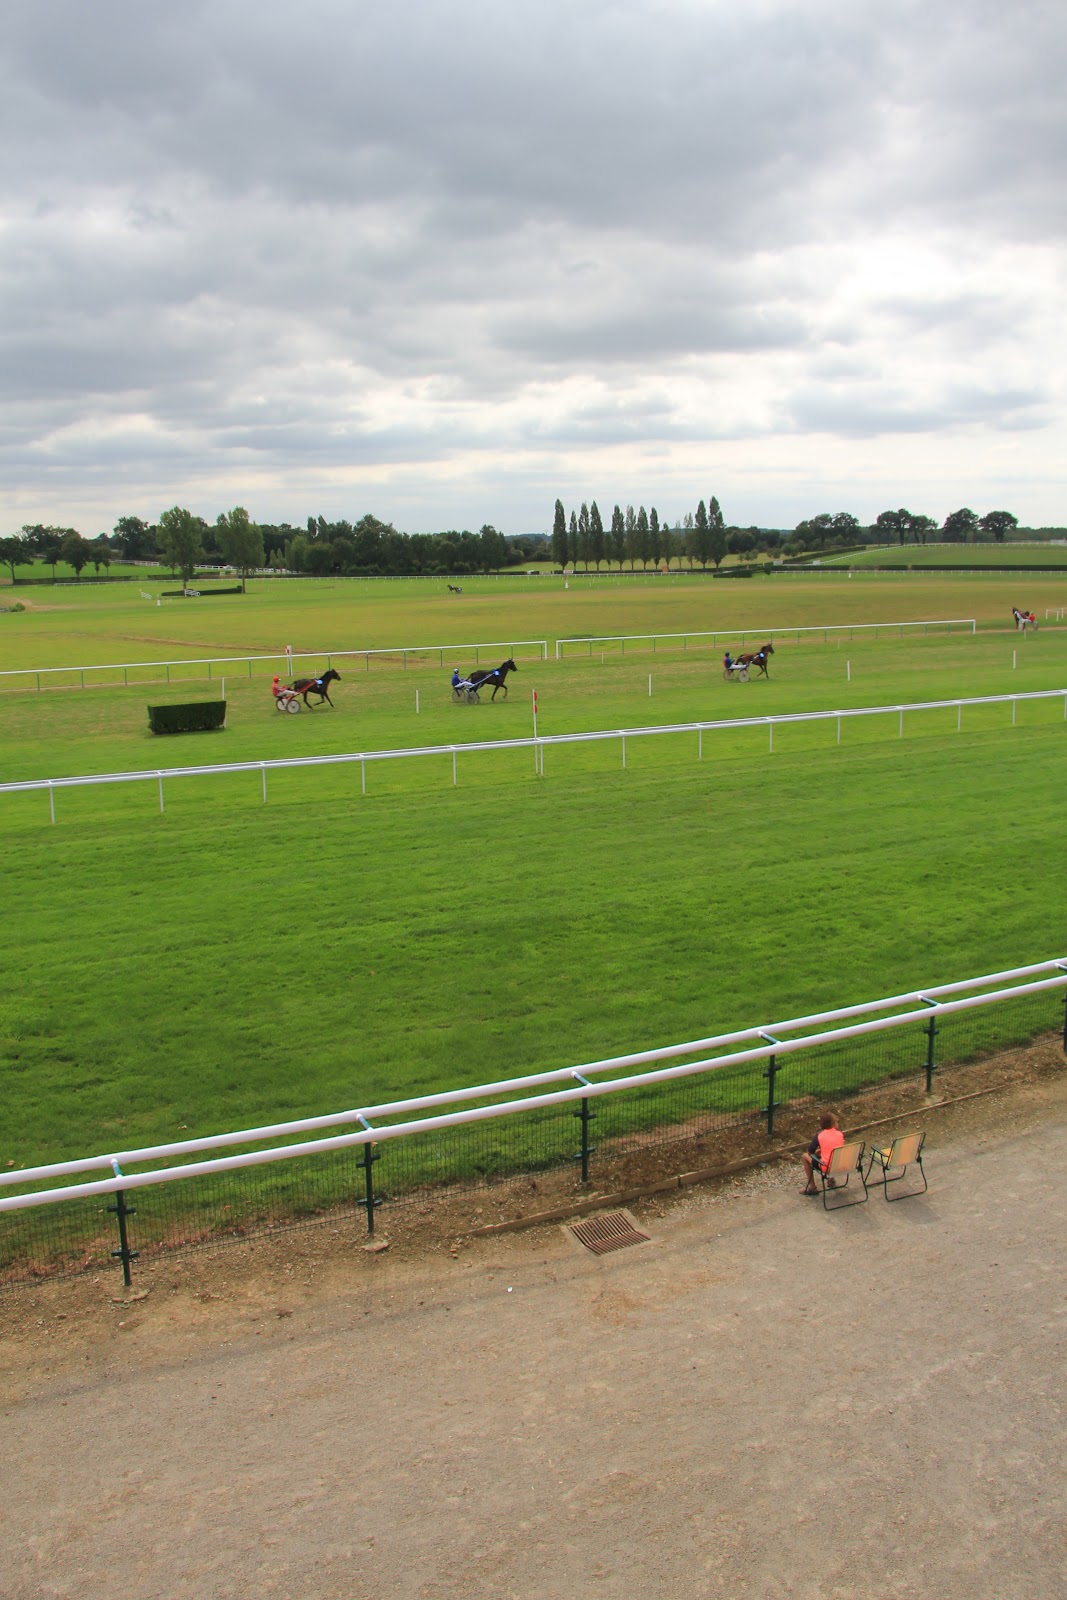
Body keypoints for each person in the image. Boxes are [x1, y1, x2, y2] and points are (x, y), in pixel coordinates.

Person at [801, 1112, 844, 1195]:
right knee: (831, 1156)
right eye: (836, 1122)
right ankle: (831, 1179)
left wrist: (818, 1152)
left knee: (805, 1156)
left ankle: (813, 1188)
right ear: (832, 1124)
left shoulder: (819, 1135)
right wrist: (822, 1151)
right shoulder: (840, 1134)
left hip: (827, 1168)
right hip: (840, 1165)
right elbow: (835, 1149)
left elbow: (810, 1152)